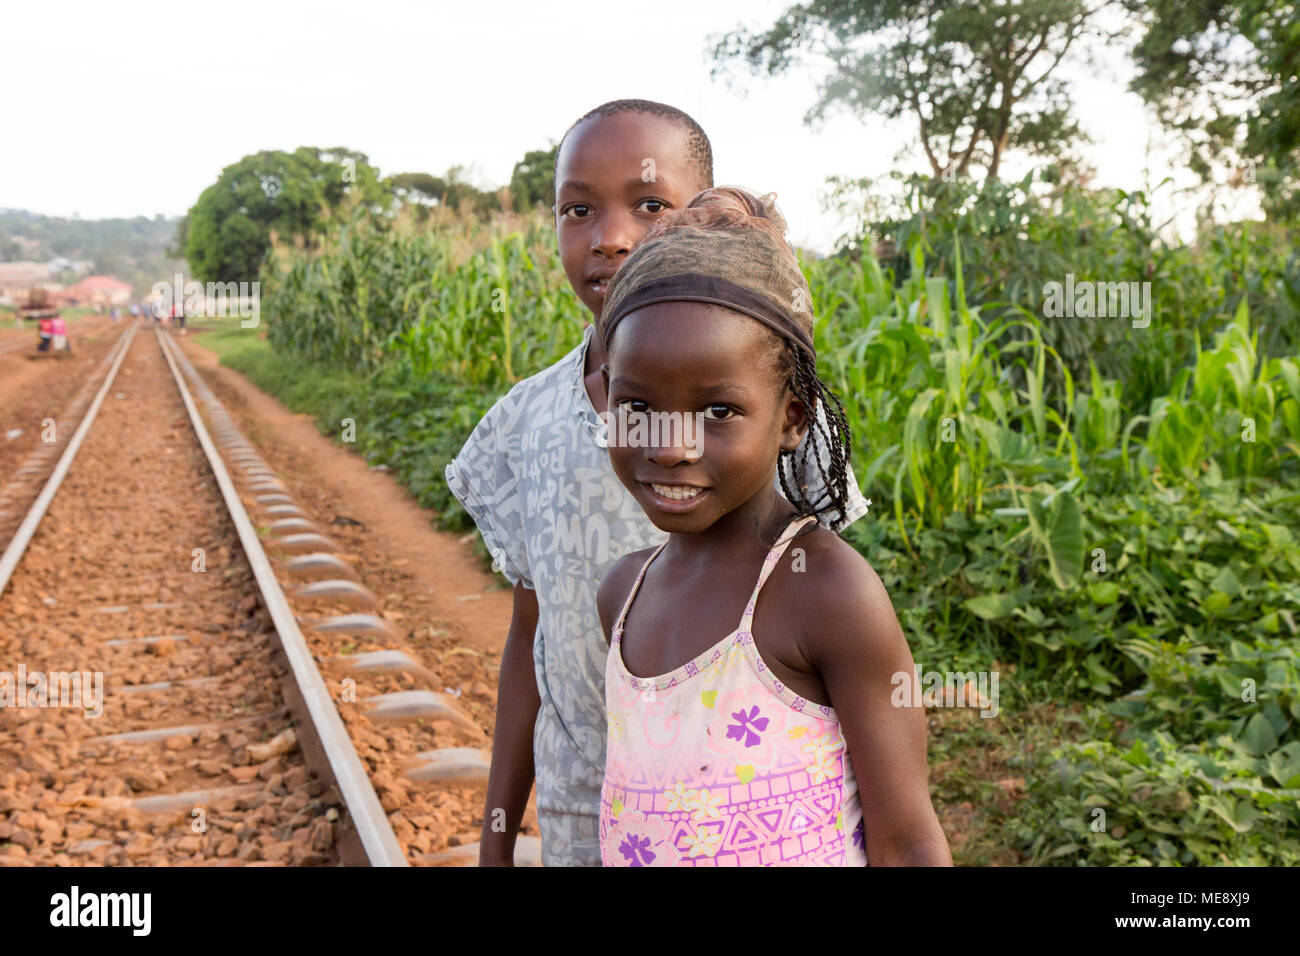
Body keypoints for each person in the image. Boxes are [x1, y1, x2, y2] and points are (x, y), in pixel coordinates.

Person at [445, 101, 871, 867]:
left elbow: (838, 645)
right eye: (578, 209)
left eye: (649, 205)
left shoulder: (772, 407)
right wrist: (498, 832)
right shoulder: (524, 424)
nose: (610, 236)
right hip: (588, 819)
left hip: (759, 822)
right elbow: (529, 640)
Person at [594, 187, 951, 866]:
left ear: (791, 419)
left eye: (719, 411)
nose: (670, 444)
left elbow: (907, 841)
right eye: (637, 404)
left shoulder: (822, 591)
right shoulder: (621, 594)